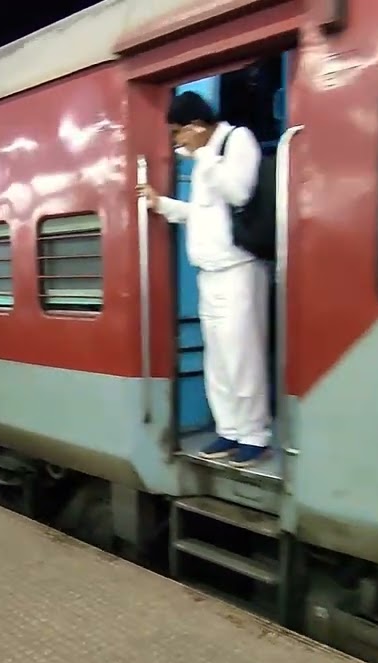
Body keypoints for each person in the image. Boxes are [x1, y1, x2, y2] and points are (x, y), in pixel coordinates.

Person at [138, 91, 272, 467]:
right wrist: (161, 204)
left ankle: (255, 435)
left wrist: (204, 156)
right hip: (209, 272)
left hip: (238, 269)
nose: (177, 141)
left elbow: (238, 191)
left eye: (180, 133)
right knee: (218, 357)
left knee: (242, 354)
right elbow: (201, 213)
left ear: (197, 127)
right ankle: (229, 429)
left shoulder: (235, 141)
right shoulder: (203, 159)